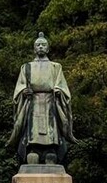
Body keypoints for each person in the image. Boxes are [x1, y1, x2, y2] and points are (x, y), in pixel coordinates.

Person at [7, 33, 74, 165]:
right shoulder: (26, 67)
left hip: (50, 101)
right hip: (33, 102)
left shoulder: (56, 67)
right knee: (32, 127)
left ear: (48, 49)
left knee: (52, 128)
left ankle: (51, 151)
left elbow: (61, 85)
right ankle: (33, 150)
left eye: (43, 45)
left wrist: (59, 92)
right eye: (38, 45)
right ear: (34, 49)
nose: (41, 47)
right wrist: (23, 92)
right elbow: (20, 87)